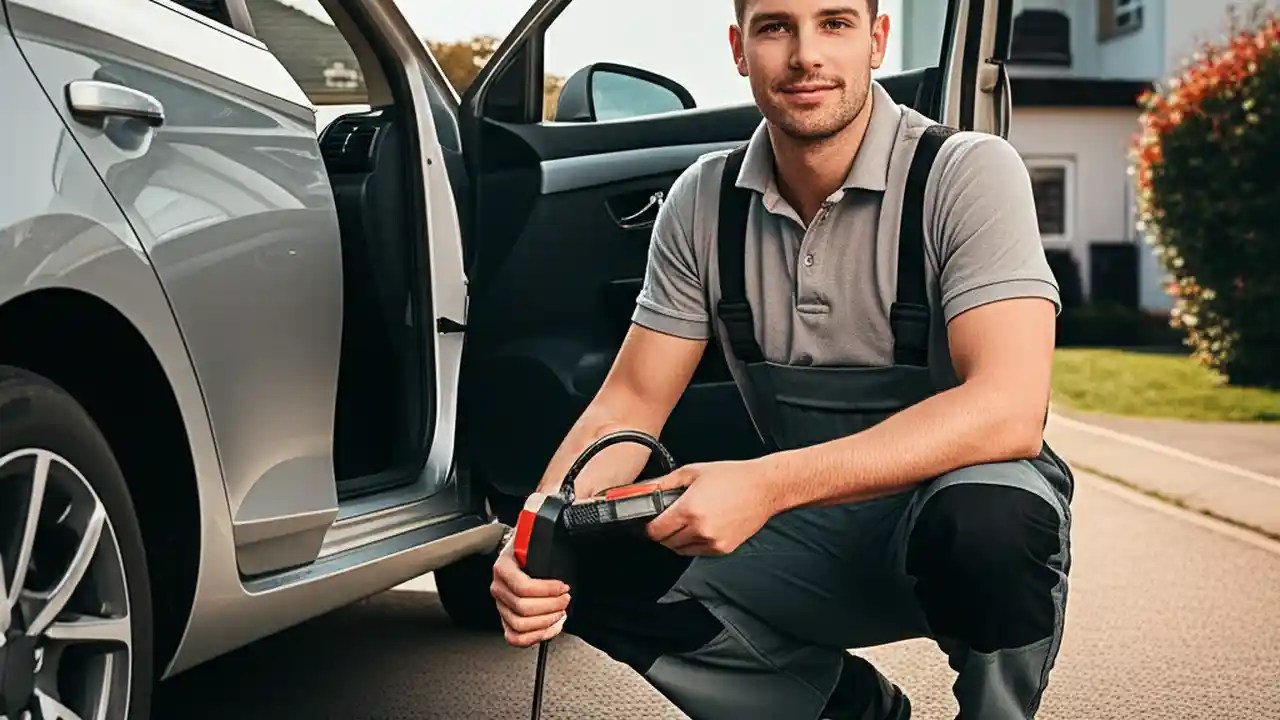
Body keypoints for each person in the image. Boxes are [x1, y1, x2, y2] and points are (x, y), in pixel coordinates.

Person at [488, 0, 1074, 717]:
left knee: (992, 524)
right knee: (587, 549)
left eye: (834, 23)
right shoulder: (702, 201)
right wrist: (536, 534)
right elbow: (630, 402)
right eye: (775, 27)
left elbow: (1008, 410)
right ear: (740, 49)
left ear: (876, 40)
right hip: (809, 536)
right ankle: (838, 707)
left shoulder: (967, 174)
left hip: (949, 524)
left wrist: (766, 484)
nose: (805, 56)